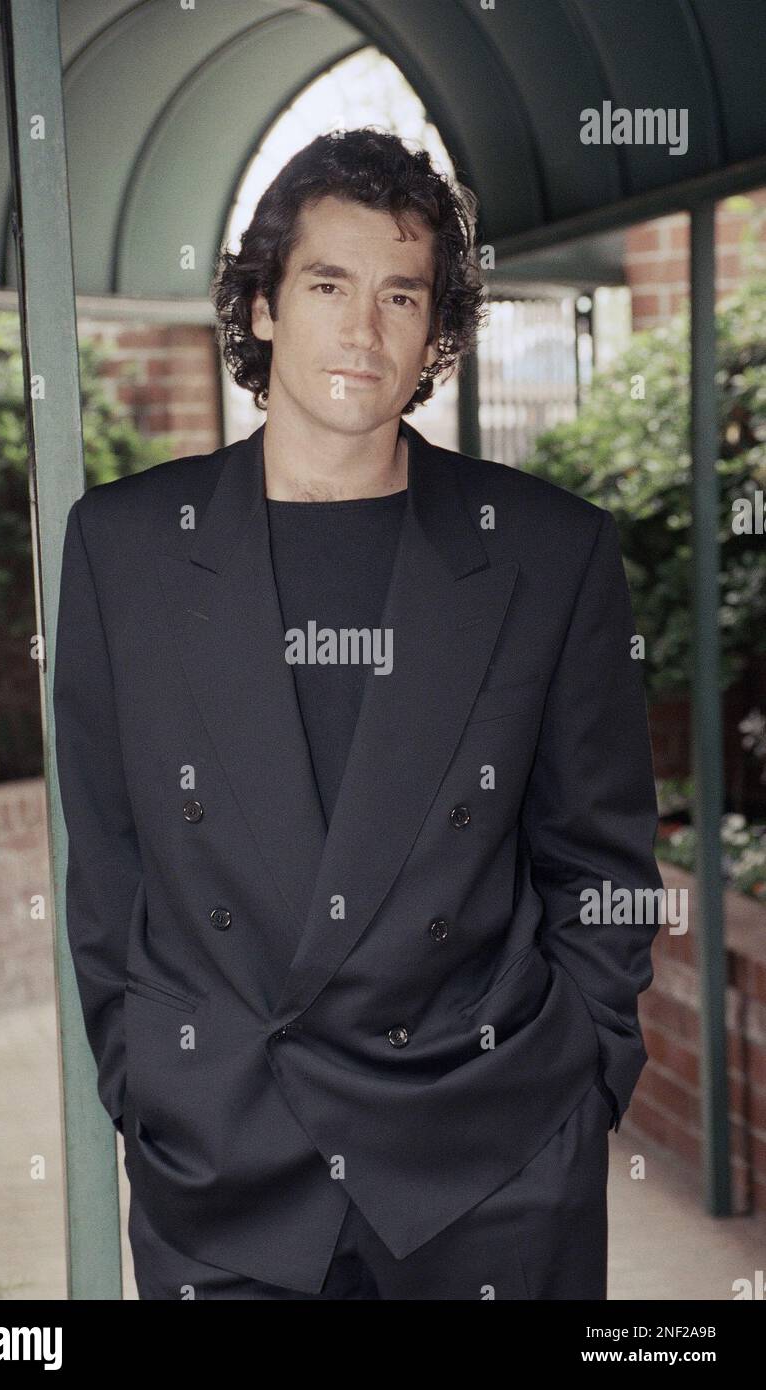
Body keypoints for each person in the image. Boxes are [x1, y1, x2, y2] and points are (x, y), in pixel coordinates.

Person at [53, 127, 664, 1300]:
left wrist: (582, 1087)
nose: (363, 329)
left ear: (437, 331)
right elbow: (109, 858)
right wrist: (147, 1084)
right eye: (327, 285)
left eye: (401, 294)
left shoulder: (546, 550)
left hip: (484, 1162)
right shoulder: (126, 548)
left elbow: (602, 857)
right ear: (265, 305)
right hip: (226, 1172)